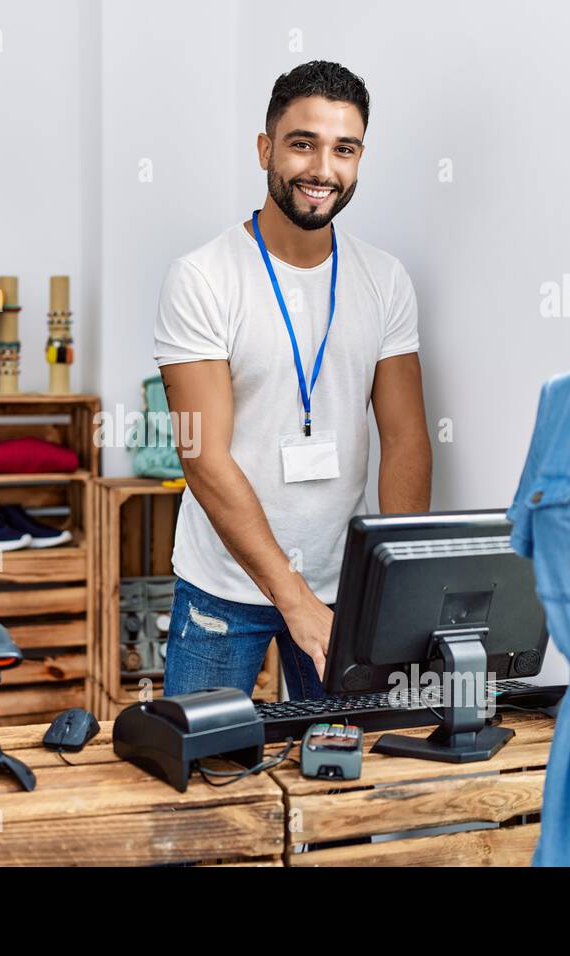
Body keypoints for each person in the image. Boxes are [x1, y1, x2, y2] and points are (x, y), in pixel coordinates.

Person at [154, 60, 432, 700]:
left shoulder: (384, 279)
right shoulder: (201, 278)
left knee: (345, 776)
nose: (322, 169)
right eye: (302, 143)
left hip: (347, 583)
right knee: (204, 775)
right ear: (265, 150)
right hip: (225, 582)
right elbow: (202, 457)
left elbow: (407, 436)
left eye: (344, 149)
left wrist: (402, 585)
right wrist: (294, 598)